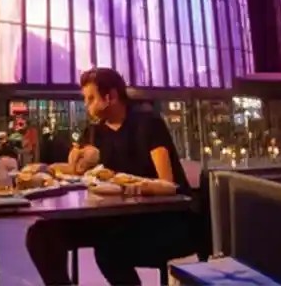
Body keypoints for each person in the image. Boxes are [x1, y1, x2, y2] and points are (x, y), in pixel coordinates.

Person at [27, 68, 196, 285]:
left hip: (162, 219)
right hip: (115, 218)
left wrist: (128, 184)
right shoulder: (96, 132)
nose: (86, 105)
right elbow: (79, 171)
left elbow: (168, 182)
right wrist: (43, 169)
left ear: (110, 97)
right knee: (41, 236)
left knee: (108, 251)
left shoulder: (148, 124)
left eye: (91, 99)